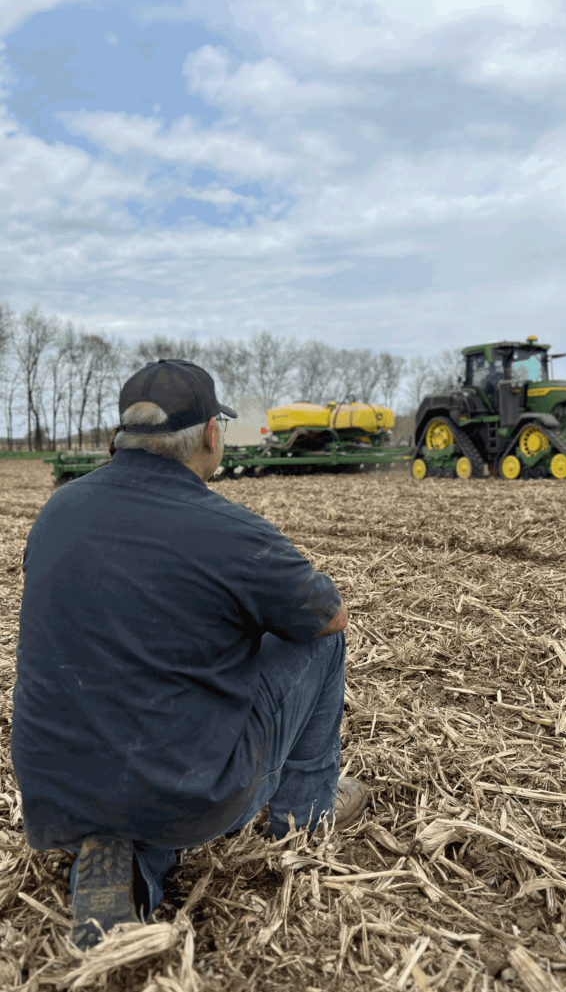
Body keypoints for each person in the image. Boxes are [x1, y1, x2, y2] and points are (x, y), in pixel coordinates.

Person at [11, 359, 368, 952]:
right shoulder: (229, 530)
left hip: (57, 785)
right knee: (320, 644)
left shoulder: (57, 512)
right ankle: (304, 812)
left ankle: (122, 864)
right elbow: (327, 615)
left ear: (122, 437)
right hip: (185, 786)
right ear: (210, 435)